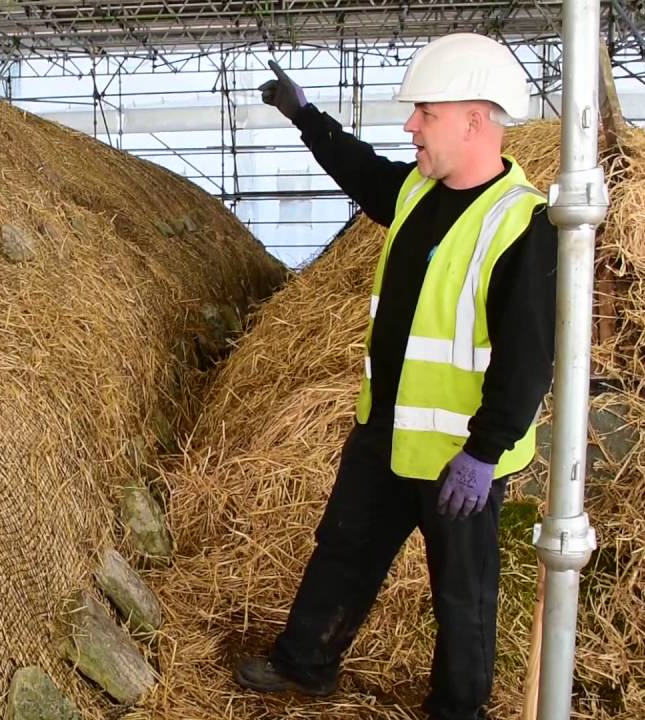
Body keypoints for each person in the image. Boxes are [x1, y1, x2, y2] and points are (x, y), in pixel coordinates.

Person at [233, 33, 558, 720]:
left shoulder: (522, 225)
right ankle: (306, 663)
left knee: (462, 594)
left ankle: (456, 708)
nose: (411, 125)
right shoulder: (417, 188)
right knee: (344, 551)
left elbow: (529, 357)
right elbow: (362, 171)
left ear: (475, 120)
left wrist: (484, 452)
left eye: (426, 113)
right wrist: (306, 116)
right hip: (386, 430)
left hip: (459, 456)